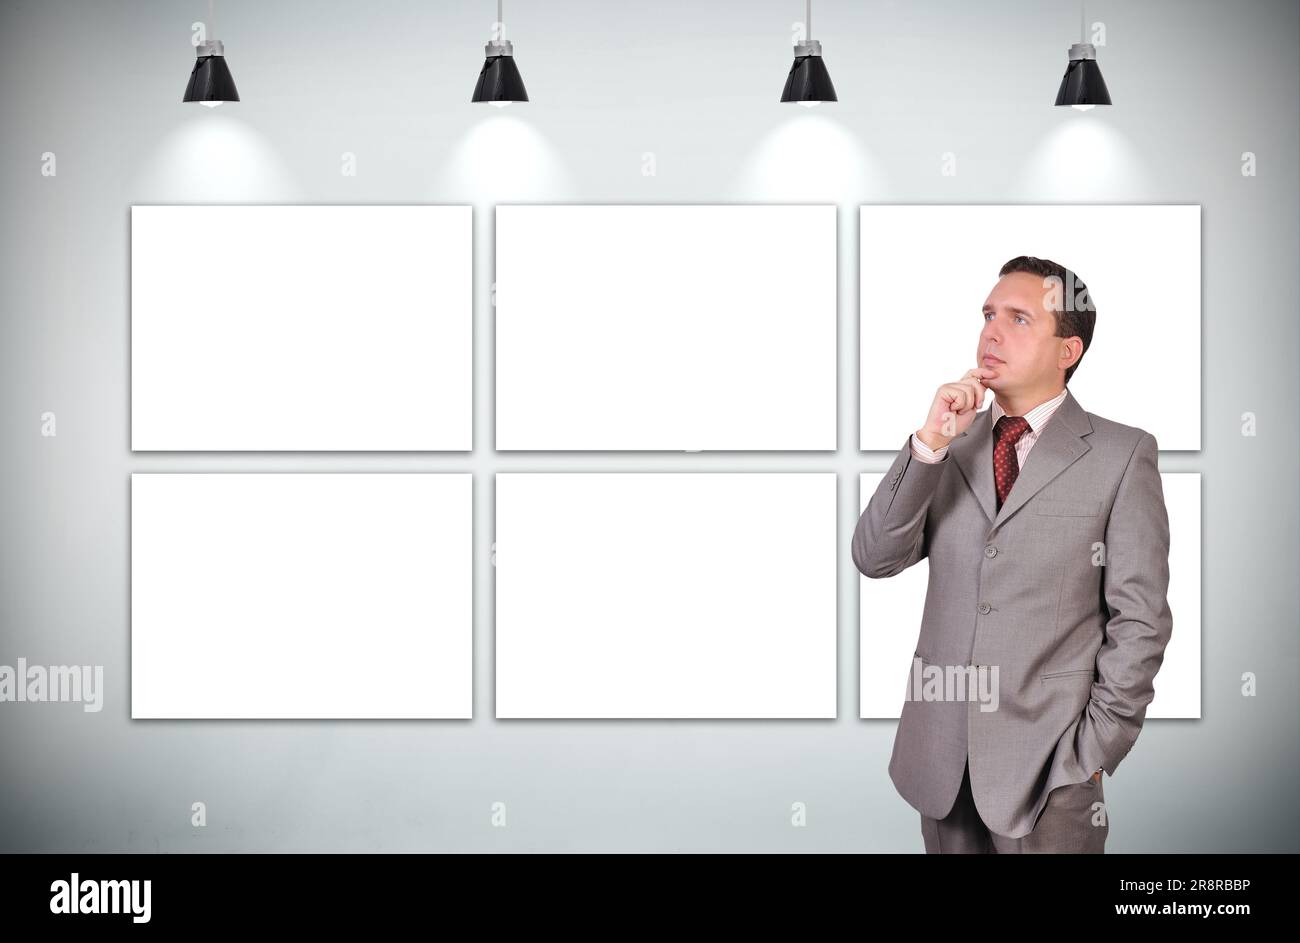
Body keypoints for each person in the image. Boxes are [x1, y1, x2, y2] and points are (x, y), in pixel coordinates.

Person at [852, 256, 1173, 853]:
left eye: (1019, 319)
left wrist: (1092, 750)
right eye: (988, 315)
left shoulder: (1122, 455)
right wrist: (929, 444)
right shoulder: (951, 444)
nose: (990, 332)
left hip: (1050, 771)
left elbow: (1142, 621)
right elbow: (875, 557)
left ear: (1067, 350)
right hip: (940, 760)